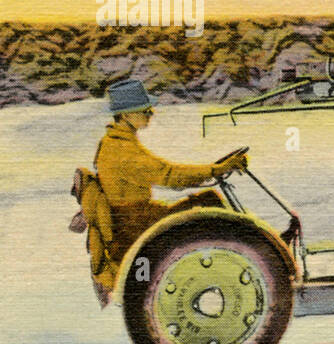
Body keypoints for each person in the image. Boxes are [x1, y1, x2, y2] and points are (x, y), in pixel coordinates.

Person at [90, 78, 248, 272]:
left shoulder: (114, 142)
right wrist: (216, 170)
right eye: (144, 110)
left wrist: (215, 169)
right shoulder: (122, 150)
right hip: (138, 225)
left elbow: (165, 173)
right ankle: (238, 263)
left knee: (207, 201)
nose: (151, 113)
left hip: (139, 219)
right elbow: (168, 175)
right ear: (125, 115)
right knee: (209, 201)